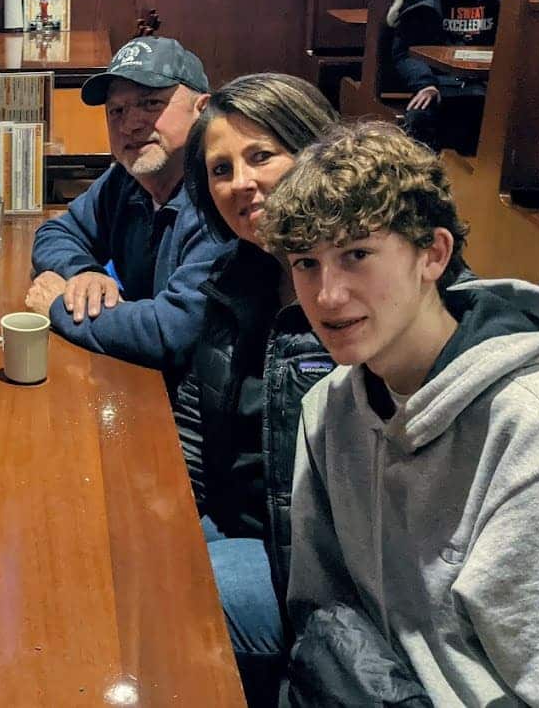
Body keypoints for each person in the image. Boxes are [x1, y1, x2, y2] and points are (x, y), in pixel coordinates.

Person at [259, 122, 539, 704]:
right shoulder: (327, 406)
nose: (327, 296)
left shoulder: (533, 431)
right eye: (306, 264)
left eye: (357, 255)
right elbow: (322, 606)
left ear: (434, 255)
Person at [181, 73, 339, 706]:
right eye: (220, 169)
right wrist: (167, 516)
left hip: (308, 570)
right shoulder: (238, 273)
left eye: (262, 155)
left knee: (161, 595)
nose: (240, 183)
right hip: (232, 523)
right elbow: (195, 413)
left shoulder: (350, 295)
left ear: (315, 151)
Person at [25, 38, 234, 470]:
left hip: (207, 440)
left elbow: (170, 331)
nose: (130, 125)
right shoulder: (126, 179)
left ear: (203, 109)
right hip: (142, 395)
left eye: (150, 103)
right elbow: (55, 234)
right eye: (116, 112)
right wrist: (84, 272)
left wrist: (60, 307)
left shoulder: (222, 200)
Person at [389, 0, 511, 154]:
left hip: (486, 84)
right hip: (440, 82)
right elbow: (405, 51)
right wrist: (424, 84)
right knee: (421, 115)